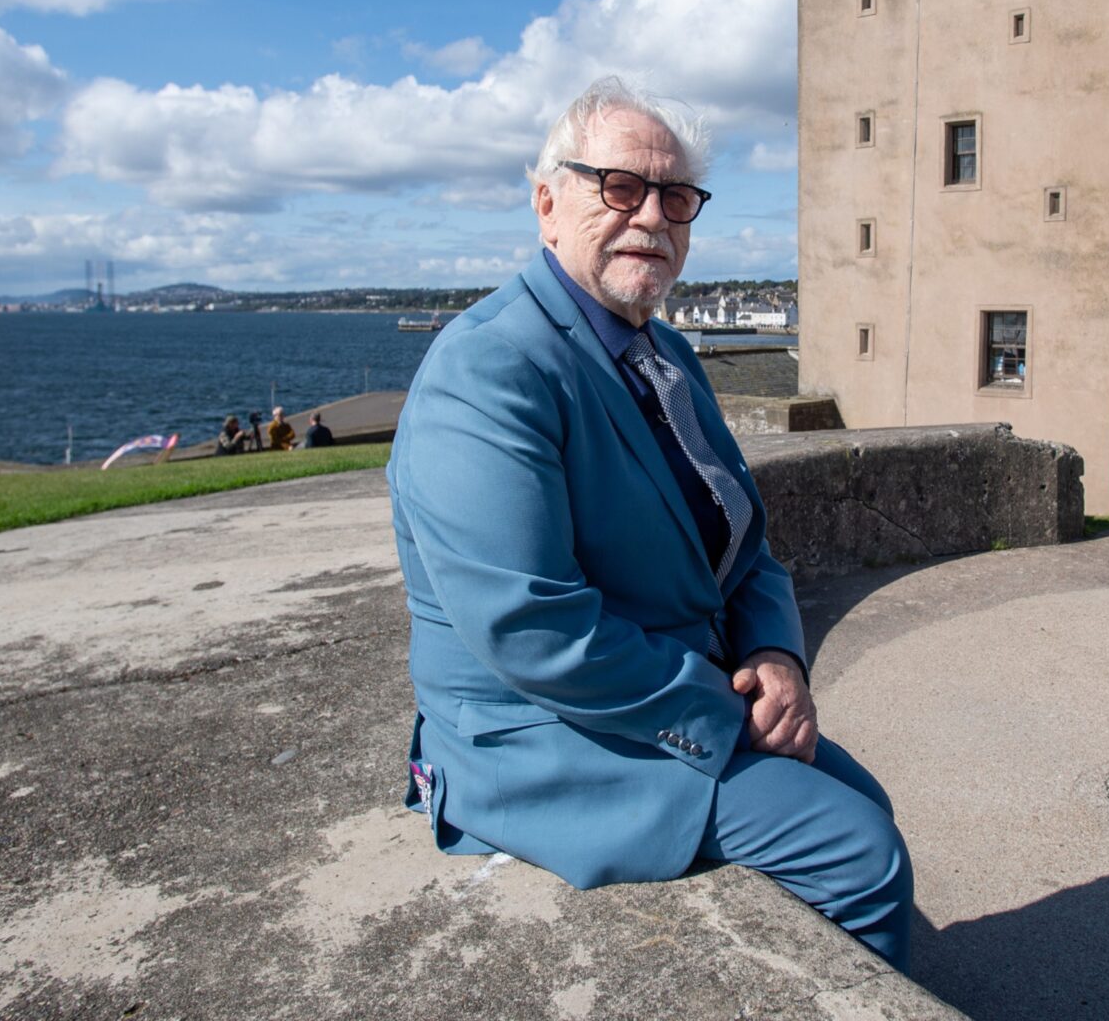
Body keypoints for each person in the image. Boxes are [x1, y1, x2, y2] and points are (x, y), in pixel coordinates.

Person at [386, 78, 912, 969]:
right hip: (541, 733)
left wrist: (776, 657)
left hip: (660, 690)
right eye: (620, 187)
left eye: (676, 198)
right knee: (857, 852)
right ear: (547, 203)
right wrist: (723, 713)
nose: (653, 217)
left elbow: (746, 545)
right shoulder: (489, 369)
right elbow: (530, 626)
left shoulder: (661, 350)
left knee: (863, 798)